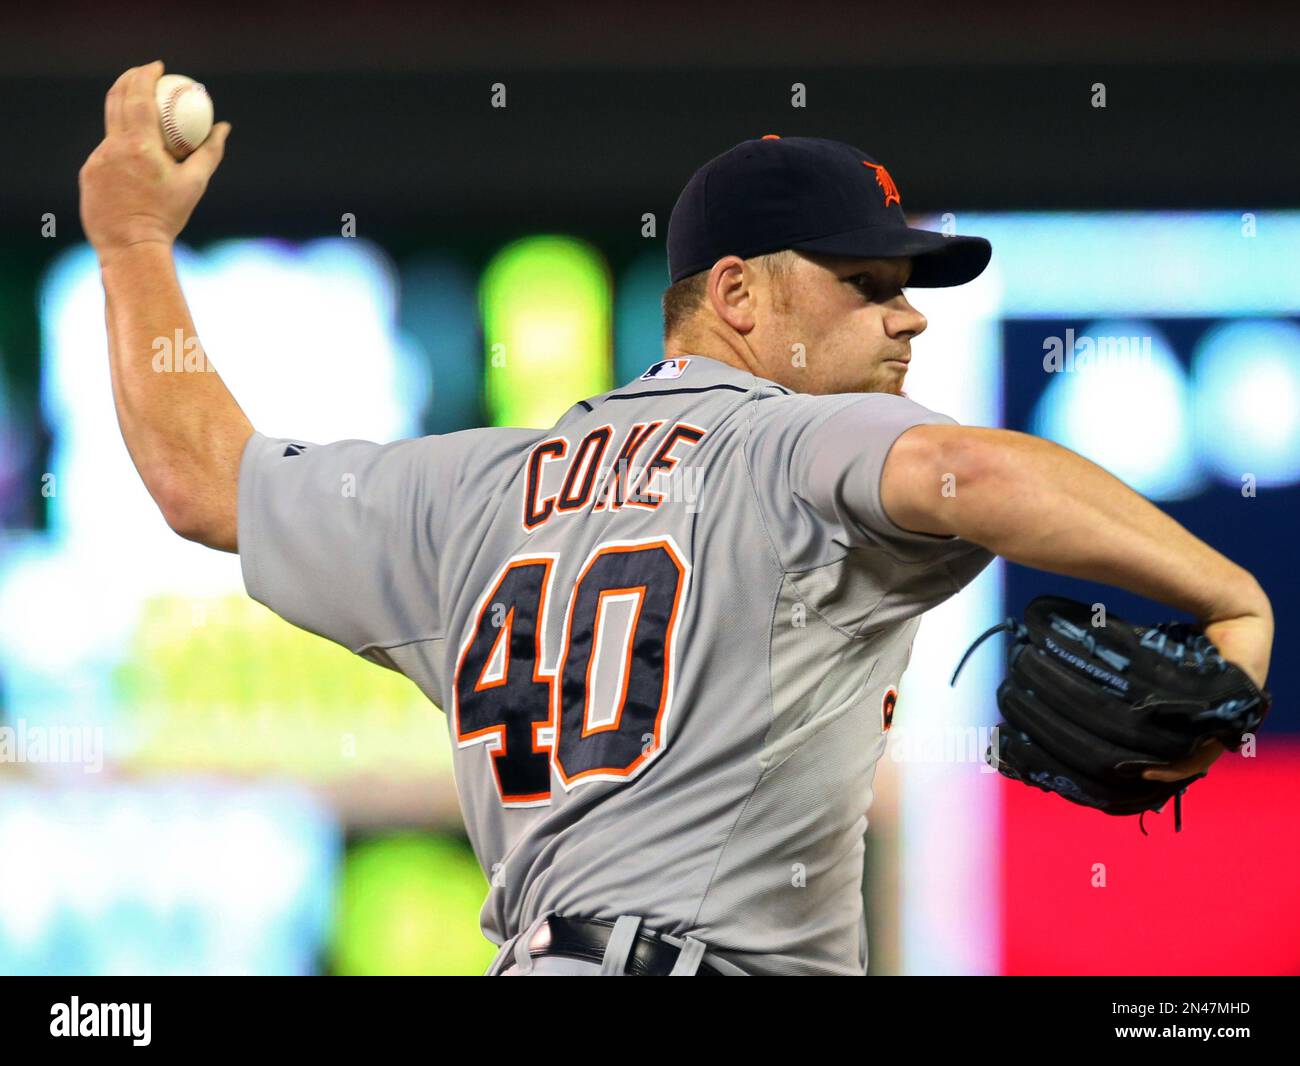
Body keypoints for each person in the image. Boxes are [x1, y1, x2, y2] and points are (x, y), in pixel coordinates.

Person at [81, 63, 1273, 976]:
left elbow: (203, 479)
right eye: (865, 285)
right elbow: (972, 468)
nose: (905, 321)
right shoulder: (792, 437)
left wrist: (131, 240)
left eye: (906, 292)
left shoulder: (468, 485)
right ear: (740, 296)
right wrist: (1233, 597)